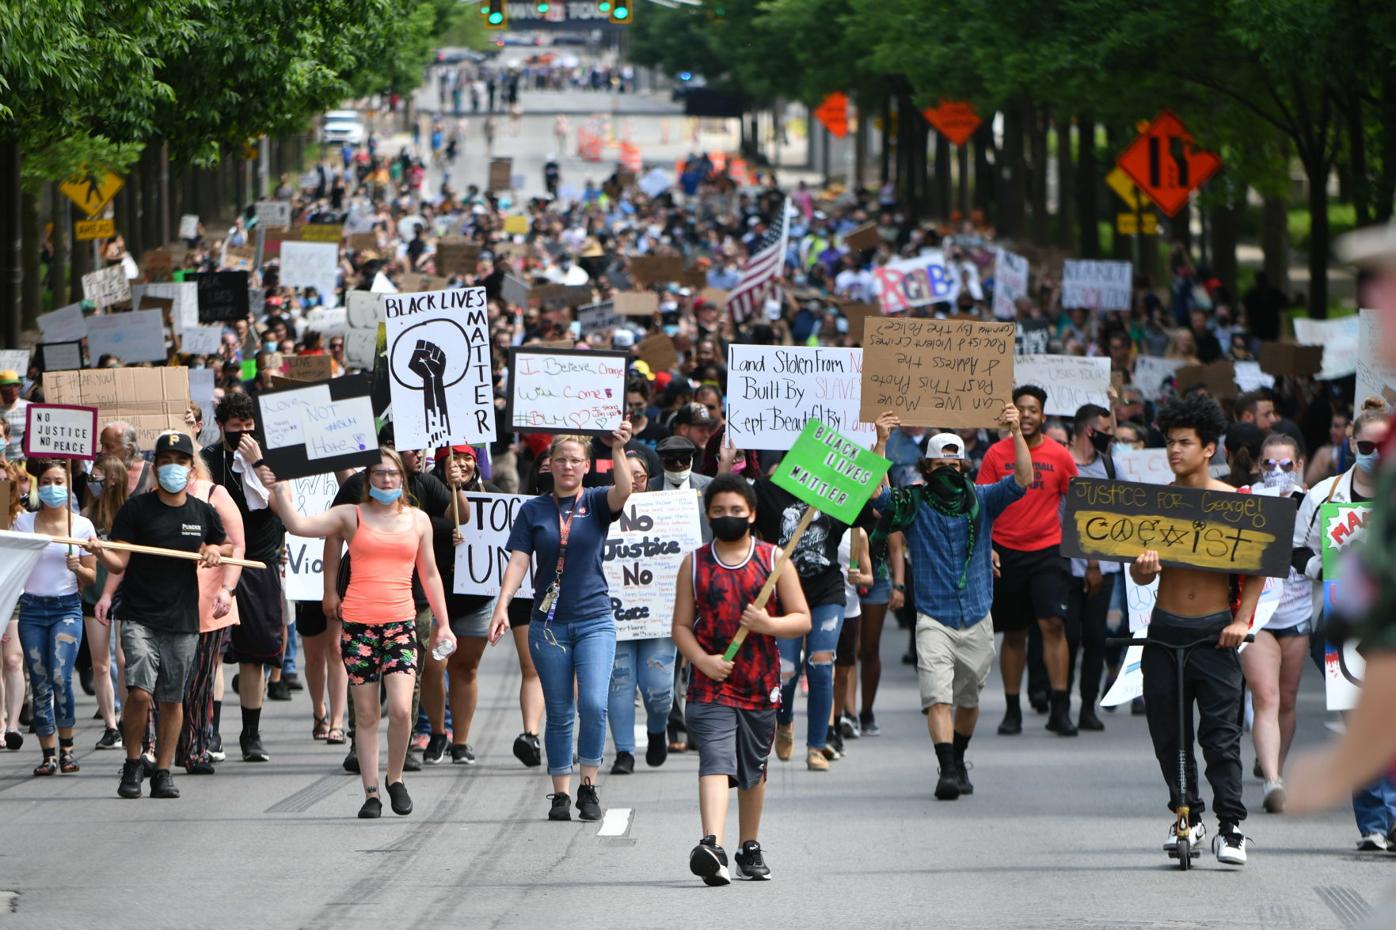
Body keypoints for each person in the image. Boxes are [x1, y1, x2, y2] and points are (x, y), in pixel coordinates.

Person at [269, 448, 457, 818]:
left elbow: (430, 574)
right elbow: (299, 526)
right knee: (368, 715)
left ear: (403, 478)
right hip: (359, 626)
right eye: (379, 473)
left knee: (402, 709)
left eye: (393, 473)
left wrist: (443, 623)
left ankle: (395, 777)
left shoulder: (417, 520)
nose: (386, 479)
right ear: (368, 478)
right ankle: (371, 793)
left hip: (401, 622)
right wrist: (277, 490)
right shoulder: (350, 515)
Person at [871, 407, 1031, 799]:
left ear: (964, 467)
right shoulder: (913, 503)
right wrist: (880, 442)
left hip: (976, 616)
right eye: (939, 462)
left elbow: (1024, 480)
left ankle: (958, 758)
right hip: (933, 618)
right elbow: (878, 497)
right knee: (937, 697)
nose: (947, 468)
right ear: (926, 467)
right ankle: (946, 770)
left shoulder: (983, 499)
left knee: (968, 699)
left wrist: (1015, 432)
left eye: (953, 462)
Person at [1129, 395, 1262, 865]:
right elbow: (1138, 574)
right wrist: (1143, 568)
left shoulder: (1233, 503)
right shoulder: (1156, 503)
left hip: (1214, 631)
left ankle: (1231, 826)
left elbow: (1259, 566)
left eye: (1185, 442)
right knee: (1169, 733)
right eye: (1170, 442)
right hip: (1165, 630)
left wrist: (1242, 620)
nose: (1174, 451)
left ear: (1209, 448)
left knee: (1221, 735)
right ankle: (1186, 813)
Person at [487, 423, 635, 822]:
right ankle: (560, 792)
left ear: (586, 466)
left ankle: (588, 783)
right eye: (561, 460)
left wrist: (619, 449)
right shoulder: (532, 510)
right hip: (548, 623)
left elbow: (625, 490)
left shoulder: (599, 500)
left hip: (594, 619)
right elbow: (519, 560)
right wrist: (502, 606)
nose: (567, 466)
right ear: (549, 465)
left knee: (592, 702)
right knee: (558, 709)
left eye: (575, 460)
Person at [672, 474, 810, 885]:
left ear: (751, 514)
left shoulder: (773, 561)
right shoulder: (694, 562)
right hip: (710, 683)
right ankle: (711, 844)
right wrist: (703, 660)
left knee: (753, 768)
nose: (727, 517)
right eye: (718, 511)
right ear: (708, 515)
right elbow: (680, 626)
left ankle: (749, 846)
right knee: (715, 758)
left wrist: (768, 623)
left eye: (736, 511)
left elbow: (802, 619)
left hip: (758, 682)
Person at [86, 432, 232, 801]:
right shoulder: (136, 510)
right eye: (165, 460)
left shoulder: (202, 512)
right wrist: (101, 554)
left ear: (190, 467)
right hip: (139, 615)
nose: (172, 467)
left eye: (180, 460)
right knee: (138, 692)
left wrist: (214, 550)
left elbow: (224, 542)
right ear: (157, 466)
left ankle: (164, 771)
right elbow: (120, 560)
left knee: (172, 698)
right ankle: (134, 760)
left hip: (182, 619)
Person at [722, 432, 878, 771]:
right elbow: (728, 499)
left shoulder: (834, 495)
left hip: (827, 590)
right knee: (788, 670)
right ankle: (786, 719)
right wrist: (726, 460)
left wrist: (877, 446)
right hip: (785, 593)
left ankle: (817, 746)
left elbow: (873, 497)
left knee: (822, 662)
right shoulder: (767, 492)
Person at [1293, 396, 1393, 848]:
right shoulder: (1324, 495)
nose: (1373, 454)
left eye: (1381, 446)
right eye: (1364, 446)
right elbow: (1295, 549)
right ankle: (1375, 824)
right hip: (1345, 621)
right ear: (1350, 443)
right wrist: (1317, 568)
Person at [978, 384, 1080, 737]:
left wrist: (1084, 554)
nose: (1026, 415)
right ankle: (1011, 710)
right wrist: (986, 546)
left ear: (1043, 415)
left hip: (1048, 551)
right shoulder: (995, 455)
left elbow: (1077, 504)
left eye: (1032, 409)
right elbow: (982, 506)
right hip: (1006, 552)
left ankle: (1061, 708)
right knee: (1015, 633)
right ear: (1011, 413)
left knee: (1053, 624)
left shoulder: (1060, 455)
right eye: (1020, 408)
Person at [200, 393, 283, 765]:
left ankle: (251, 734)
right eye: (237, 429)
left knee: (255, 656)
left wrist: (259, 463)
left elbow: (282, 504)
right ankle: (210, 731)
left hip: (259, 564)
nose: (244, 434)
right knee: (214, 653)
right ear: (222, 427)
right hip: (218, 563)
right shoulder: (208, 461)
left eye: (250, 428)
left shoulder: (269, 457)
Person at [1240, 432, 1311, 813]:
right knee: (1264, 696)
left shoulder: (1315, 501)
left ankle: (1277, 767)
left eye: (1286, 464)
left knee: (1287, 699)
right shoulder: (1246, 498)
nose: (1278, 471)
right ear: (1258, 466)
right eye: (1269, 464)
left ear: (1299, 464)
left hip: (1298, 615)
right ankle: (1272, 780)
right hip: (1258, 615)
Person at [14, 461, 98, 775]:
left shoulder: (81, 526)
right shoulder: (23, 523)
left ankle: (68, 748)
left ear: (68, 484)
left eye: (59, 480)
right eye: (47, 481)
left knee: (61, 677)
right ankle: (48, 754)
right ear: (39, 485)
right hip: (33, 610)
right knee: (39, 680)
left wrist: (79, 568)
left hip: (66, 609)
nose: (53, 486)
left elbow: (91, 575)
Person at [608, 451, 677, 775]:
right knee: (620, 684)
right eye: (627, 473)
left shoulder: (667, 511)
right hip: (614, 615)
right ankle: (624, 752)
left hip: (659, 615)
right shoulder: (600, 509)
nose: (634, 481)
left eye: (640, 475)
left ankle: (657, 728)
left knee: (659, 687)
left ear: (649, 479)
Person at [424, 445, 494, 765]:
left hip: (475, 599)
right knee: (433, 667)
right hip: (436, 599)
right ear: (441, 463)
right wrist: (444, 532)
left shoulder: (493, 494)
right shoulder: (426, 493)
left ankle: (461, 742)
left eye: (468, 457)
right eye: (454, 457)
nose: (462, 463)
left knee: (465, 668)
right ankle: (438, 732)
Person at [177, 455, 247, 775]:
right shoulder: (151, 500)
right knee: (170, 679)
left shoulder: (213, 494)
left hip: (209, 604)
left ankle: (197, 744)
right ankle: (166, 743)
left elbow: (236, 546)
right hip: (168, 603)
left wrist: (227, 589)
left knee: (200, 679)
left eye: (180, 461)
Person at [1064, 402, 1120, 732]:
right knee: (1068, 637)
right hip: (1067, 566)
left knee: (1096, 637)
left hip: (1106, 571)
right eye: (1106, 429)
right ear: (1090, 431)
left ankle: (1087, 706)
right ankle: (1062, 701)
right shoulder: (1062, 462)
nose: (1110, 435)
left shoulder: (1111, 466)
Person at [81, 455, 130, 749]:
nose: (92, 482)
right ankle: (111, 725)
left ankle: (127, 718)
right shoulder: (85, 515)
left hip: (124, 596)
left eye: (97, 476)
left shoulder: (129, 514)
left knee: (124, 661)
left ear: (112, 479)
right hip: (91, 595)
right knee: (101, 664)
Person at [0, 369, 27, 461]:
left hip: (22, 463)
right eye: (8, 386)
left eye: (16, 385)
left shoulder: (30, 408)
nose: (12, 389)